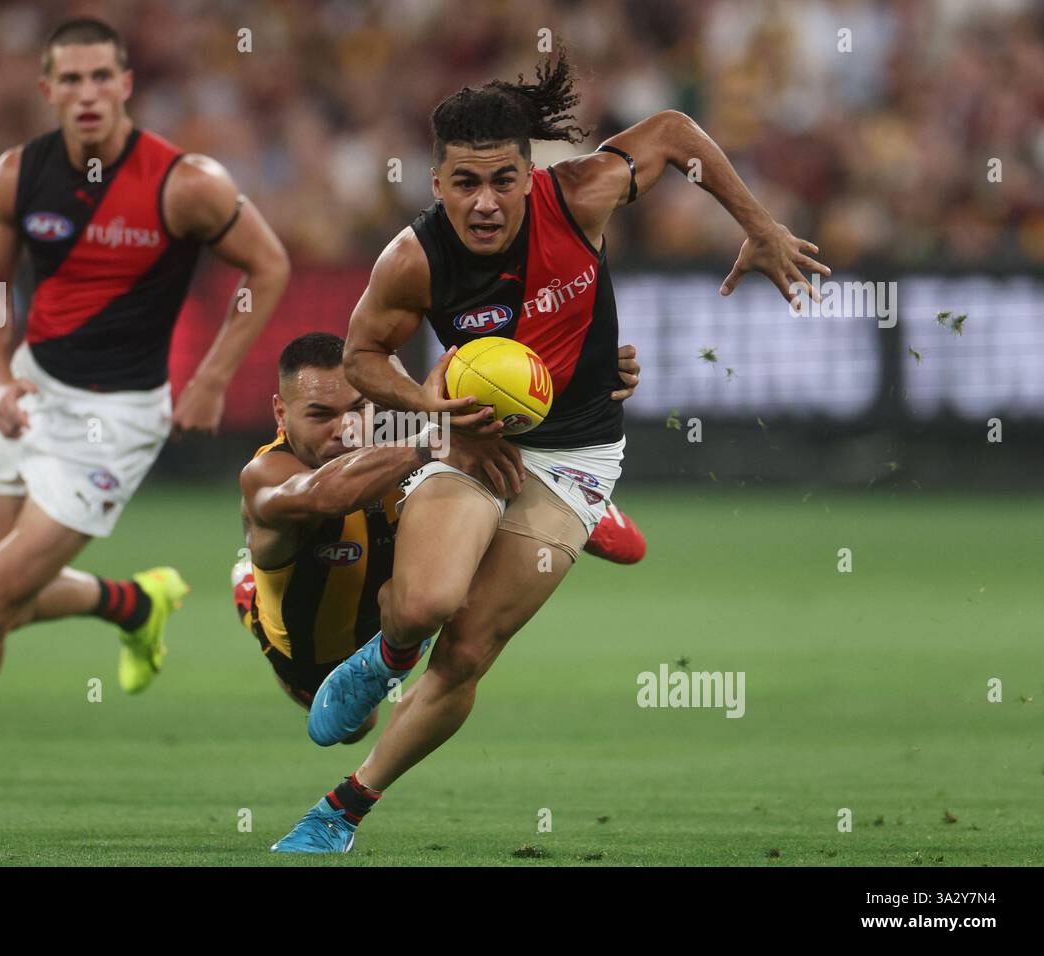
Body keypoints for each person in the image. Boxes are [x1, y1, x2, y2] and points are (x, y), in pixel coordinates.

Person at [273, 47, 828, 851]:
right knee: (425, 607)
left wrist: (761, 226)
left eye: (504, 179)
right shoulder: (414, 259)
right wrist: (433, 408)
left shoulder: (579, 196)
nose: (487, 202)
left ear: (530, 173)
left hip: (575, 455)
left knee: (465, 651)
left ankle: (343, 809)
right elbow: (362, 359)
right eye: (465, 182)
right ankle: (385, 656)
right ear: (436, 185)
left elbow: (673, 132)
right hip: (475, 441)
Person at [0, 17, 290, 798]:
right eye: (70, 80)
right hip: (31, 388)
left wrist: (214, 377)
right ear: (47, 90)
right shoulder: (18, 174)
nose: (86, 93)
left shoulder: (187, 183)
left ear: (126, 85)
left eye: (100, 77)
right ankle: (133, 601)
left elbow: (269, 265)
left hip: (113, 424)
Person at [234, 333, 643, 742]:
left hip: (397, 602)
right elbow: (322, 495)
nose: (348, 429)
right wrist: (433, 443)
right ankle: (248, 592)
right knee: (355, 728)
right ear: (281, 412)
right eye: (320, 415)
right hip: (311, 655)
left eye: (359, 408)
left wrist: (589, 368)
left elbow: (501, 395)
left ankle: (557, 495)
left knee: (463, 475)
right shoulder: (264, 477)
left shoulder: (394, 429)